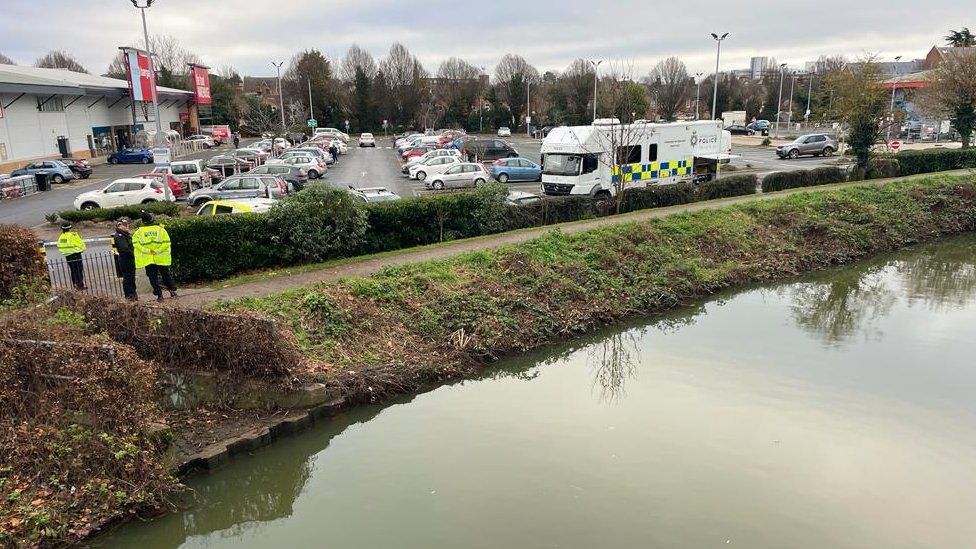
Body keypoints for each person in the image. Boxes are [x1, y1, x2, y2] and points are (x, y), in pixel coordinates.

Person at [133, 211, 177, 302]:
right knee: (166, 275)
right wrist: (157, 251)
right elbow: (166, 243)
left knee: (153, 278)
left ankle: (160, 296)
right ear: (152, 220)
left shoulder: (138, 232)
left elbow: (136, 245)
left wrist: (149, 251)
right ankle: (172, 290)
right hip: (161, 257)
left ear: (143, 221)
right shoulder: (161, 230)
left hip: (148, 259)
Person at [113, 217, 137, 301]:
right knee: (128, 279)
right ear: (119, 226)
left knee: (131, 278)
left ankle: (133, 295)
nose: (127, 226)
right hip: (126, 260)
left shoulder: (125, 234)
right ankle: (130, 296)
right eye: (124, 225)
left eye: (127, 225)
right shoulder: (119, 236)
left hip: (129, 259)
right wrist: (134, 254)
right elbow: (125, 249)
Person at [56, 222, 86, 290]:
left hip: (67, 255)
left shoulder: (61, 236)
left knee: (73, 269)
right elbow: (81, 244)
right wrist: (82, 249)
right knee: (78, 269)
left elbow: (59, 245)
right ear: (70, 228)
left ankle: (75, 284)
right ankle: (80, 285)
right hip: (75, 254)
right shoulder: (73, 235)